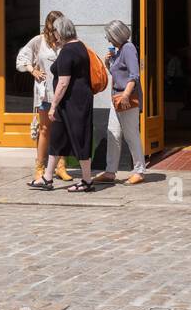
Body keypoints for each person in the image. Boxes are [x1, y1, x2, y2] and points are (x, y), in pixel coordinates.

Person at [31, 15, 96, 192]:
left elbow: (63, 82)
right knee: (58, 137)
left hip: (73, 103)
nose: (54, 35)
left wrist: (53, 105)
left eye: (56, 31)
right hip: (70, 103)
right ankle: (47, 177)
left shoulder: (68, 50)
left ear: (62, 31)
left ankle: (87, 181)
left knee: (80, 139)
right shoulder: (79, 46)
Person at [16, 12, 70, 183]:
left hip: (62, 92)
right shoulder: (38, 41)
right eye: (54, 25)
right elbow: (21, 59)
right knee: (45, 130)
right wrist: (33, 70)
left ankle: (61, 166)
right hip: (45, 92)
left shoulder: (66, 41)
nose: (56, 29)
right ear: (48, 25)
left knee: (62, 131)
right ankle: (39, 168)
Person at [94, 19, 145, 186]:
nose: (108, 40)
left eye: (110, 36)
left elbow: (134, 75)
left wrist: (126, 95)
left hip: (126, 99)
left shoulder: (128, 48)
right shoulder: (119, 50)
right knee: (113, 133)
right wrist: (109, 62)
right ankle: (110, 172)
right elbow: (117, 75)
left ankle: (139, 171)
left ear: (117, 35)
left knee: (131, 135)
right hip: (116, 98)